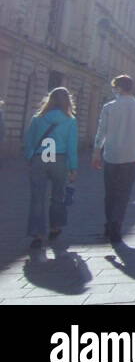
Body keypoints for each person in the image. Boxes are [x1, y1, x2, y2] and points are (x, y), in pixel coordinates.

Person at [91, 75, 135, 245]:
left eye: (114, 88)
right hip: (132, 155)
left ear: (118, 88)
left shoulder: (109, 107)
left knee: (110, 193)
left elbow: (101, 131)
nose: (113, 91)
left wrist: (96, 152)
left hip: (111, 154)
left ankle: (109, 223)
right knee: (123, 193)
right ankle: (116, 225)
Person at [23, 87, 79, 248]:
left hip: (39, 159)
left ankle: (37, 233)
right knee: (58, 196)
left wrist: (29, 158)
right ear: (67, 102)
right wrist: (73, 168)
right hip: (59, 160)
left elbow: (29, 141)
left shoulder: (37, 118)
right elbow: (71, 147)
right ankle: (55, 227)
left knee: (37, 198)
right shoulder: (70, 121)